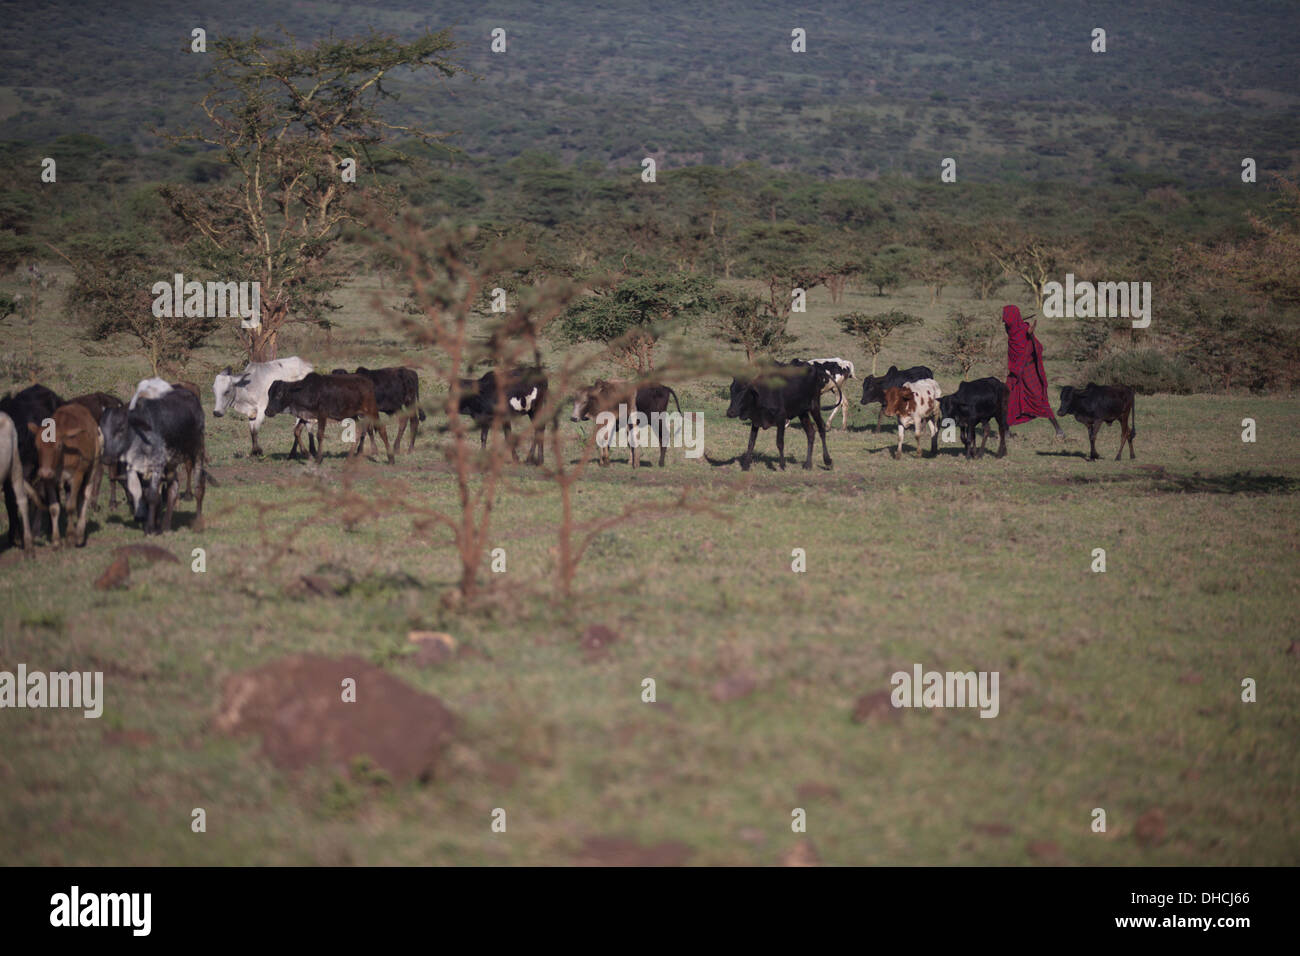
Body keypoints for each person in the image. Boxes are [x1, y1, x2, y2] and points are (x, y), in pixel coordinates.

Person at [1002, 304, 1065, 438]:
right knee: (1008, 398)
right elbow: (1013, 325)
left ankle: (1058, 429)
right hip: (1016, 372)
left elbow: (1037, 347)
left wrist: (1030, 335)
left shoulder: (1016, 329)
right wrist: (1028, 331)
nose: (1004, 319)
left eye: (1005, 316)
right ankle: (1006, 431)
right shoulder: (1016, 329)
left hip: (1028, 370)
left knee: (1039, 399)